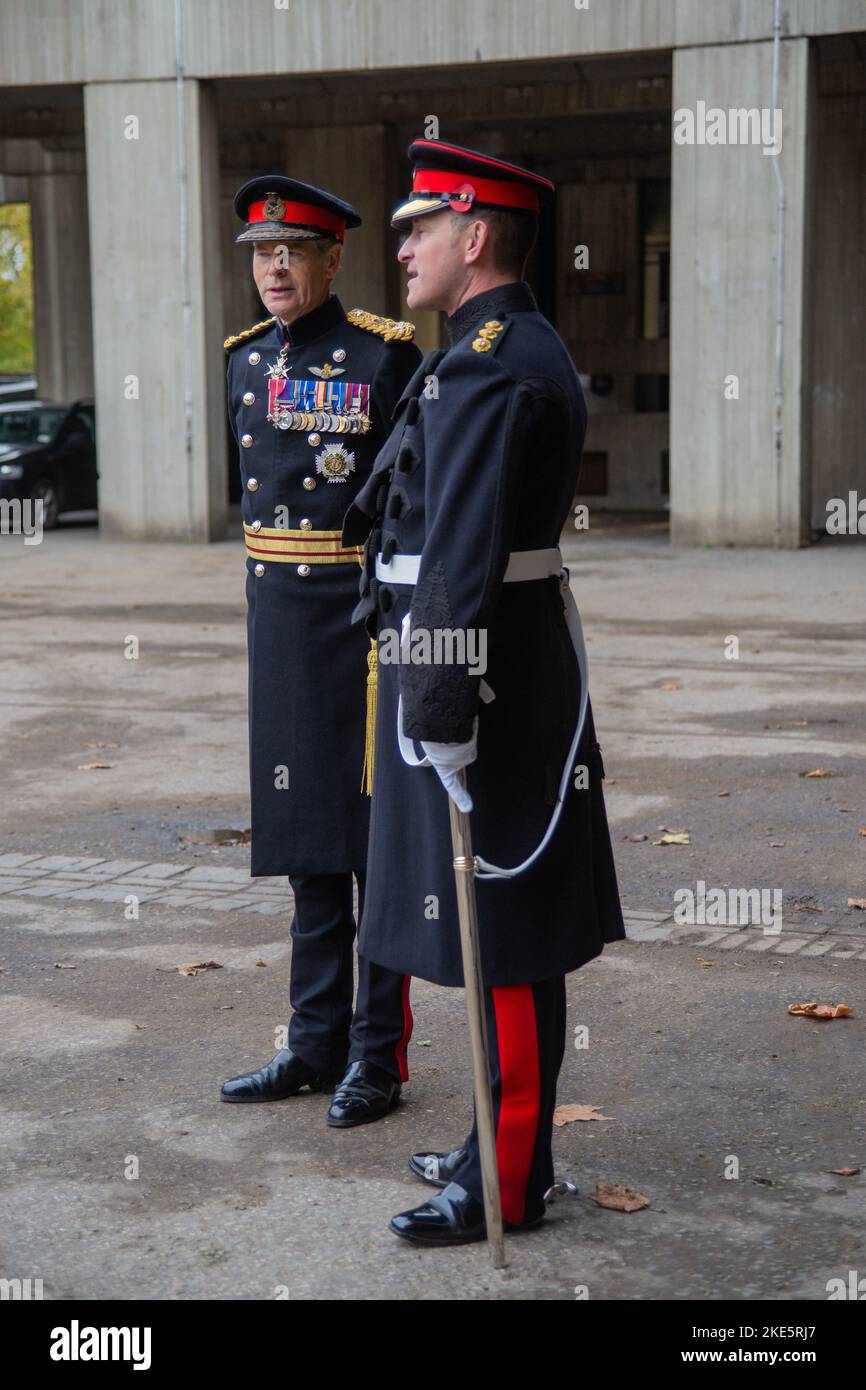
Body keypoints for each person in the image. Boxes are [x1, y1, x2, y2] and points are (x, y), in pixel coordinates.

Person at [341, 139, 626, 1242]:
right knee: (498, 936)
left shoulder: (489, 364)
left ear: (473, 238)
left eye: (418, 226)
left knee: (501, 936)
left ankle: (503, 1182)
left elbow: (457, 560)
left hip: (483, 680)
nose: (401, 245)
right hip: (494, 665)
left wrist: (438, 708)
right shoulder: (495, 348)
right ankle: (499, 1144)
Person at [220, 176, 421, 1127]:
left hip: (360, 627)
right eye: (262, 253)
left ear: (331, 256)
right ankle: (311, 1044)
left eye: (291, 251)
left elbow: (408, 507)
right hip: (281, 634)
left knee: (375, 853)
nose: (273, 268)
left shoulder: (384, 357)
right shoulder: (242, 361)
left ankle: (377, 1059)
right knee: (306, 853)